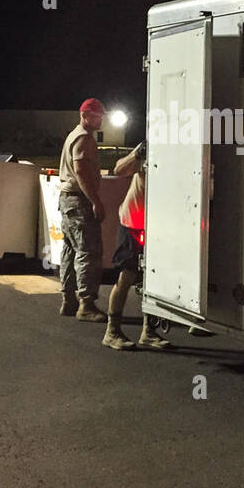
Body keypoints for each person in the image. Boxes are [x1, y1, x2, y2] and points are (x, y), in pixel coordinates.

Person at [103, 141, 171, 351]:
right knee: (127, 276)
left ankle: (148, 332)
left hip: (156, 225)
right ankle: (111, 332)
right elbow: (118, 169)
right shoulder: (148, 147)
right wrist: (138, 155)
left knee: (154, 279)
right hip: (133, 221)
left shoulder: (176, 154)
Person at [58, 98, 108, 321]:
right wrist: (95, 200)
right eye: (96, 116)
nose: (100, 121)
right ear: (84, 115)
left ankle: (68, 299)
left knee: (70, 250)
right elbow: (81, 170)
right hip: (79, 200)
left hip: (67, 199)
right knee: (89, 251)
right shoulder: (84, 139)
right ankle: (86, 304)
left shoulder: (72, 135)